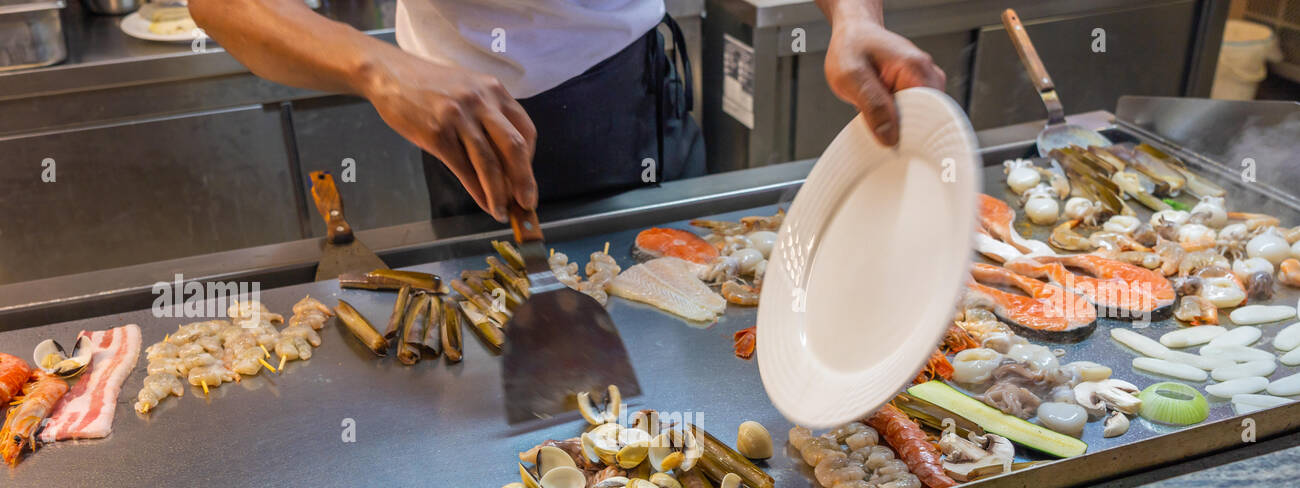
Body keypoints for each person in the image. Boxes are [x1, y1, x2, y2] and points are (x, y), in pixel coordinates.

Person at [190, 0, 944, 222]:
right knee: (514, 374)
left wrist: (853, 16)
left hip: (638, 88)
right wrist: (376, 63)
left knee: (682, 324)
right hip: (465, 118)